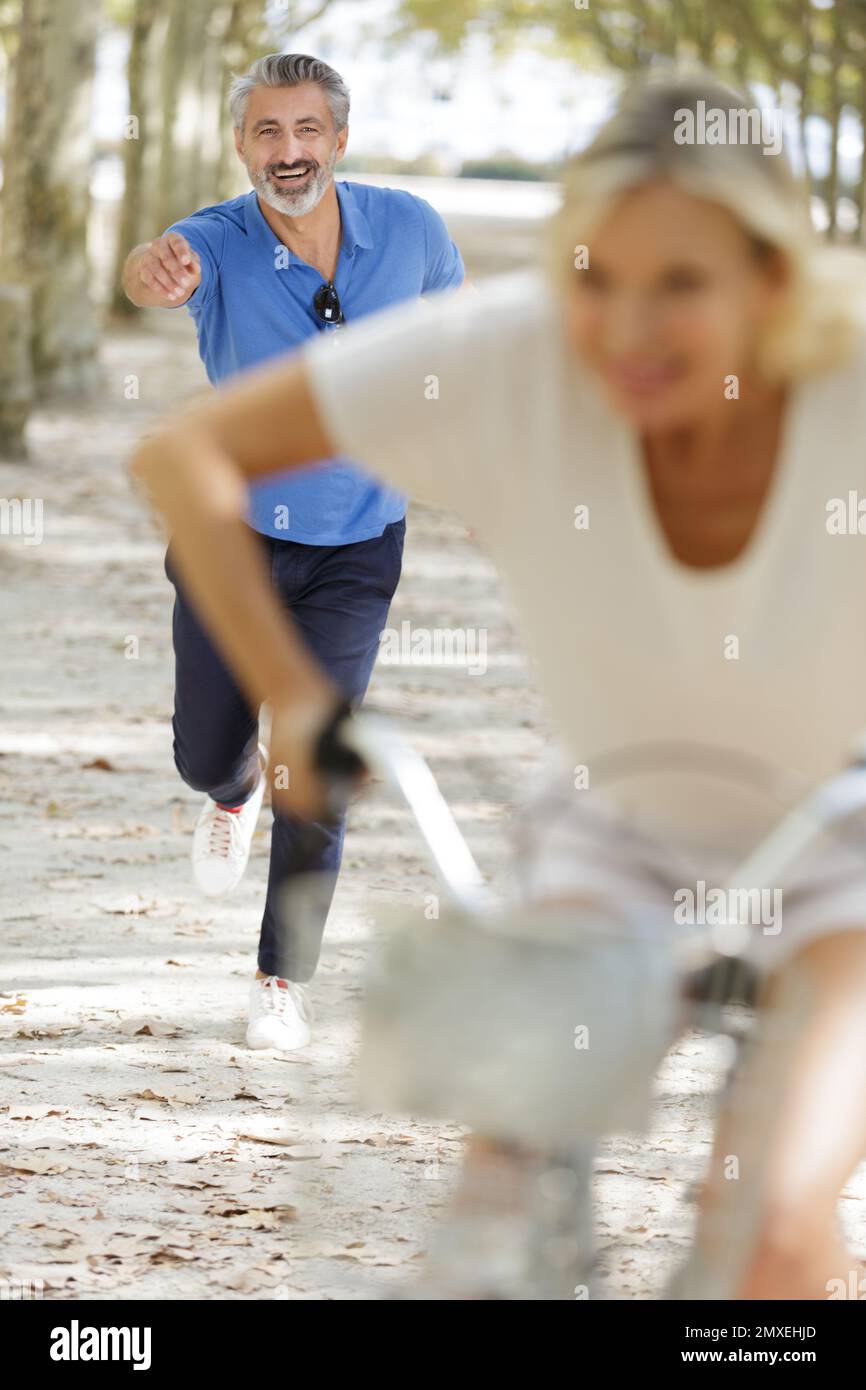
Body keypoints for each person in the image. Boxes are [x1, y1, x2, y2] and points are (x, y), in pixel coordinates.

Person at [131, 71, 866, 1298]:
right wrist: (292, 696)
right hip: (607, 836)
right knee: (496, 1216)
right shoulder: (515, 354)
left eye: (681, 285)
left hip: (833, 842)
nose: (626, 328)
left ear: (773, 282)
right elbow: (186, 454)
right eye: (597, 277)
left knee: (775, 1223)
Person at [121, 53, 464, 1051]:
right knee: (203, 747)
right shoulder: (214, 241)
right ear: (240, 146)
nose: (288, 151)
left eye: (306, 130)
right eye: (266, 133)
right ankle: (228, 789)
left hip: (357, 541)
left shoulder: (410, 230)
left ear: (339, 140)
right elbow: (154, 271)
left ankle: (280, 980)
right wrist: (149, 270)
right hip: (229, 535)